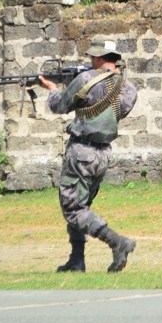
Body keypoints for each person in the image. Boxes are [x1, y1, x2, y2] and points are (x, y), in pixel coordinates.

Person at [39, 38, 139, 273]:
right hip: (103, 154)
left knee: (73, 209)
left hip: (81, 152)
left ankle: (117, 243)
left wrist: (52, 89)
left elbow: (59, 106)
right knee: (81, 206)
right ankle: (77, 260)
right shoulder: (129, 89)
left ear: (99, 57)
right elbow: (111, 111)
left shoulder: (85, 79)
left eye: (93, 56)